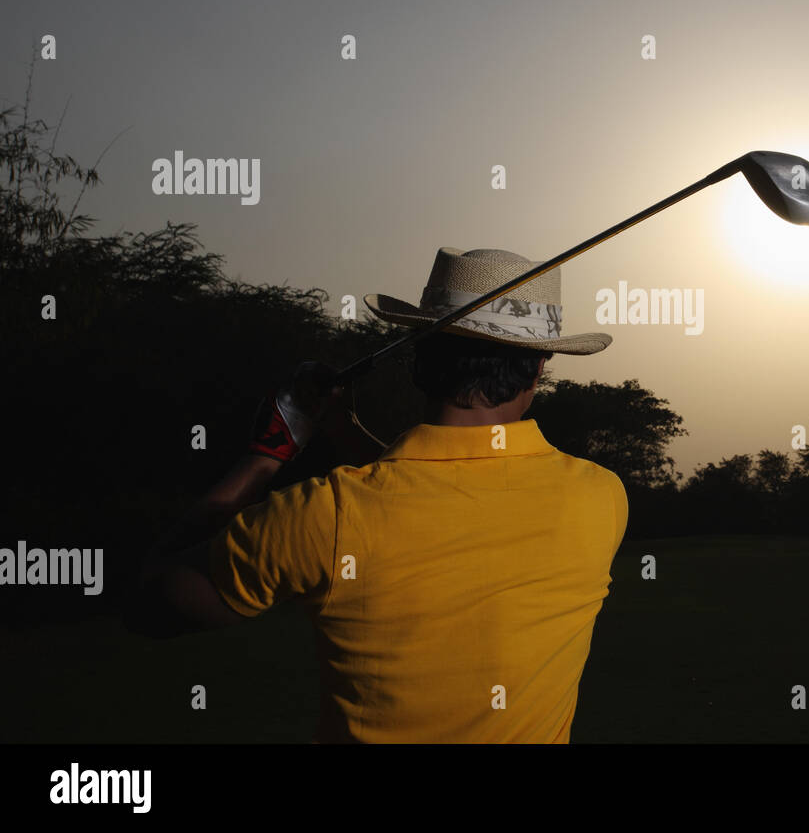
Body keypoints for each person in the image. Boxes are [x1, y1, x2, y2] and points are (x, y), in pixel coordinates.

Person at [127, 247, 628, 743]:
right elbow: (452, 490)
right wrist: (342, 430)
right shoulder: (603, 498)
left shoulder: (325, 514)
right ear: (540, 366)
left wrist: (270, 450)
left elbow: (151, 603)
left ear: (420, 357)